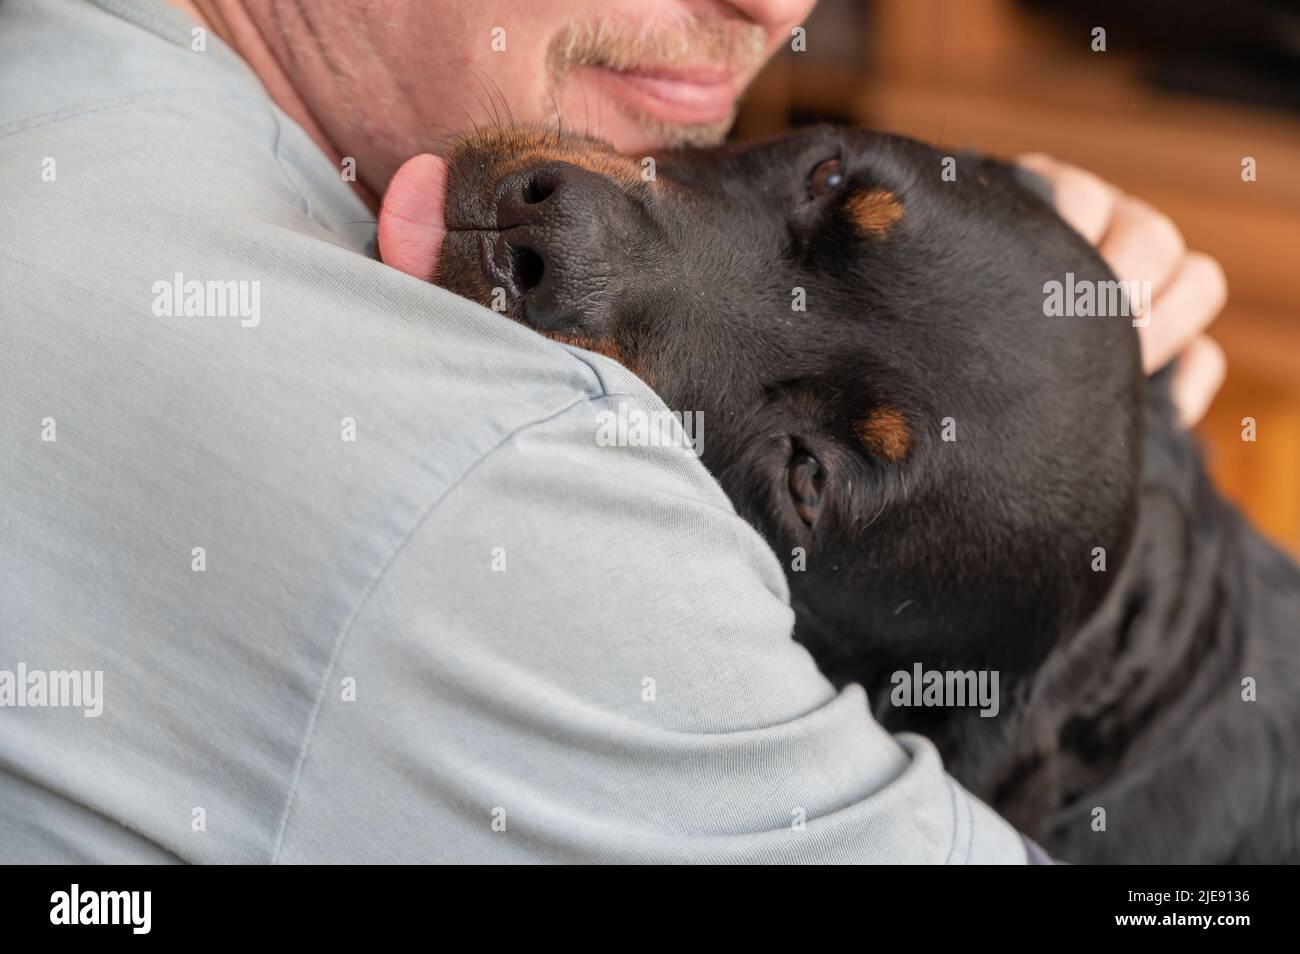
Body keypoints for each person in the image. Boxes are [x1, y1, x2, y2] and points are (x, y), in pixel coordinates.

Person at [0, 0, 1226, 863]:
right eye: (825, 190)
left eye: (803, 474)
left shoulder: (76, 61)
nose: (773, 7)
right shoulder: (503, 487)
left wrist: (1008, 278)